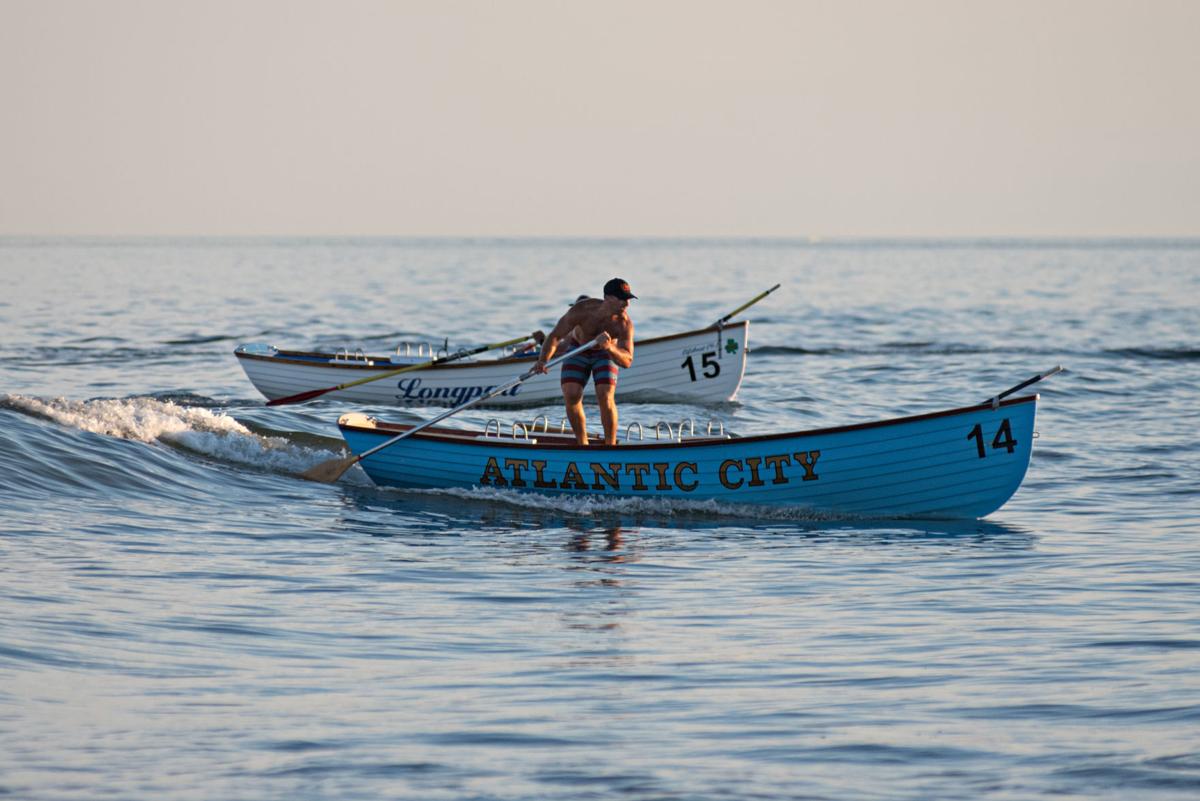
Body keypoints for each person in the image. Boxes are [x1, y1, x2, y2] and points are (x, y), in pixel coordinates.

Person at [533, 278, 636, 445]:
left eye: (628, 299)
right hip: (578, 348)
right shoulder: (582, 309)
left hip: (605, 352)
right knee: (571, 394)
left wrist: (609, 347)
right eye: (622, 299)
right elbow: (555, 336)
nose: (627, 304)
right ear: (608, 298)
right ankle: (583, 445)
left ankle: (610, 445)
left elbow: (627, 360)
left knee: (605, 395)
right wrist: (543, 360)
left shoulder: (624, 324)